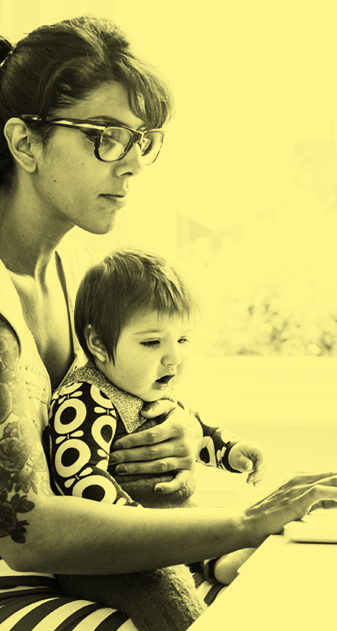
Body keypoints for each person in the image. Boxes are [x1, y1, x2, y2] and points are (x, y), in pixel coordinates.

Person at [0, 15, 337, 631]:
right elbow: (24, 530)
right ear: (25, 144)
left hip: (71, 574)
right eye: (104, 136)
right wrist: (247, 521)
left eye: (140, 140)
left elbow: (114, 406)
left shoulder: (77, 272)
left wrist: (174, 435)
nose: (131, 164)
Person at [47, 248, 264, 630]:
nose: (173, 358)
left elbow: (196, 426)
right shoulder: (85, 398)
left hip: (168, 524)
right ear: (98, 344)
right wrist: (142, 530)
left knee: (214, 525)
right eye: (152, 343)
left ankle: (215, 561)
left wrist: (232, 450)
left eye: (182, 340)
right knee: (163, 585)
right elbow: (80, 479)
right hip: (113, 551)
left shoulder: (147, 386)